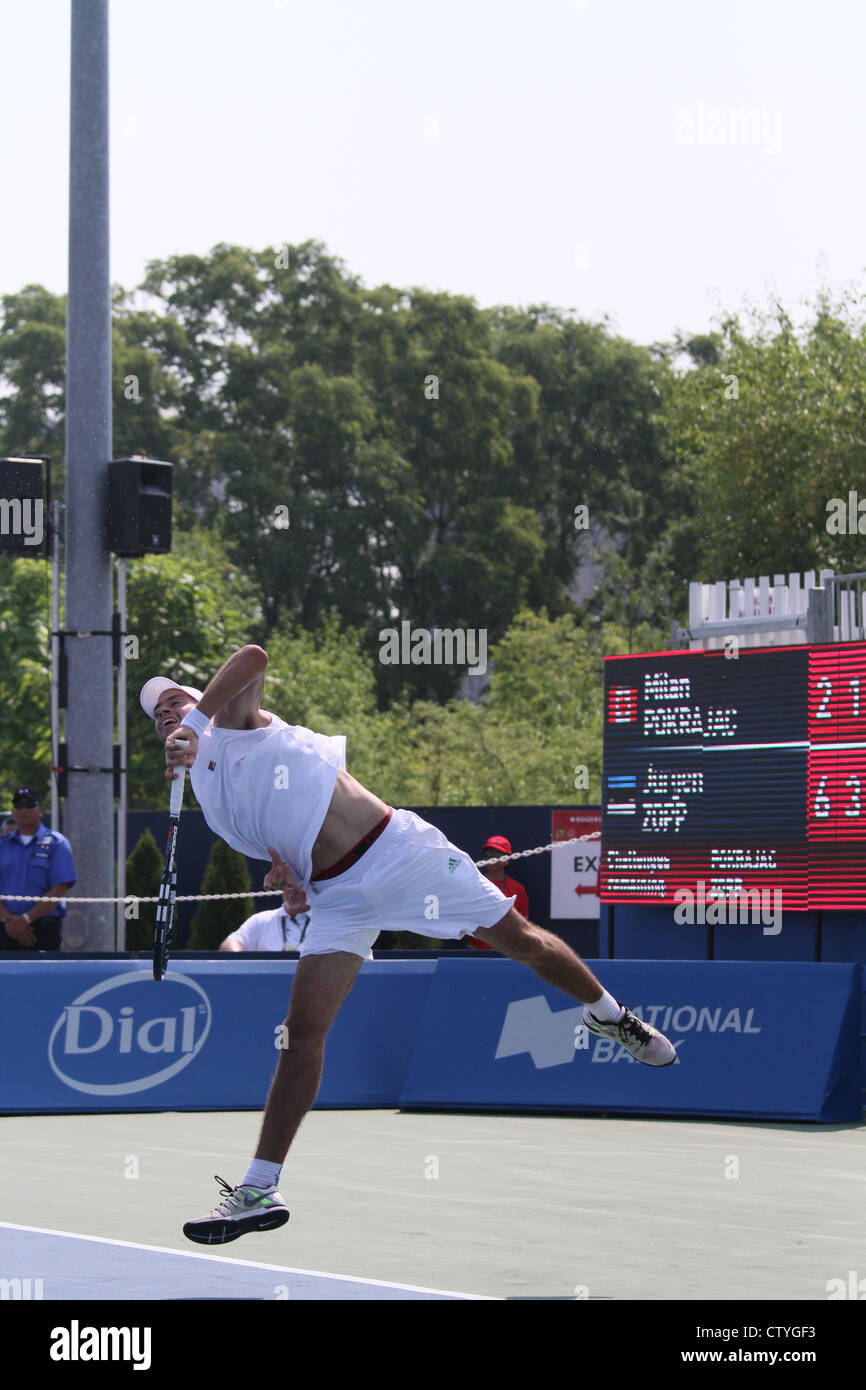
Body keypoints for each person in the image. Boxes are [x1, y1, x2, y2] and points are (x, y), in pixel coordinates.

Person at [140, 646, 676, 1246]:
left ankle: (611, 1016)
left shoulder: (230, 723)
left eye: (174, 700)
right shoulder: (214, 807)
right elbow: (289, 843)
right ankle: (260, 1188)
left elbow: (253, 657)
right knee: (301, 1032)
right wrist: (287, 873)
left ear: (197, 700)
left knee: (519, 940)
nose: (167, 712)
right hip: (337, 898)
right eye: (157, 714)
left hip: (399, 853)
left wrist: (193, 721)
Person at [0, 787, 77, 950]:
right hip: (5, 927)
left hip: (43, 929)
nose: (23, 810)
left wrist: (25, 920)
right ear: (13, 811)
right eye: (18, 806)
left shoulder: (57, 843)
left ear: (41, 810)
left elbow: (60, 888)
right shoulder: (2, 845)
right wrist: (11, 922)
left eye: (29, 805)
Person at [465, 835, 529, 952]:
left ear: (507, 860)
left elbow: (523, 922)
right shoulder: (473, 884)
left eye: (498, 855)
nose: (492, 858)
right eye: (488, 855)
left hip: (508, 952)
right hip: (476, 950)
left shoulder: (517, 888)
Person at [220, 891, 312, 953]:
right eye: (288, 885)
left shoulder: (323, 922)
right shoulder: (261, 920)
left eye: (298, 886)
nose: (292, 891)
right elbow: (230, 944)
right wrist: (239, 964)